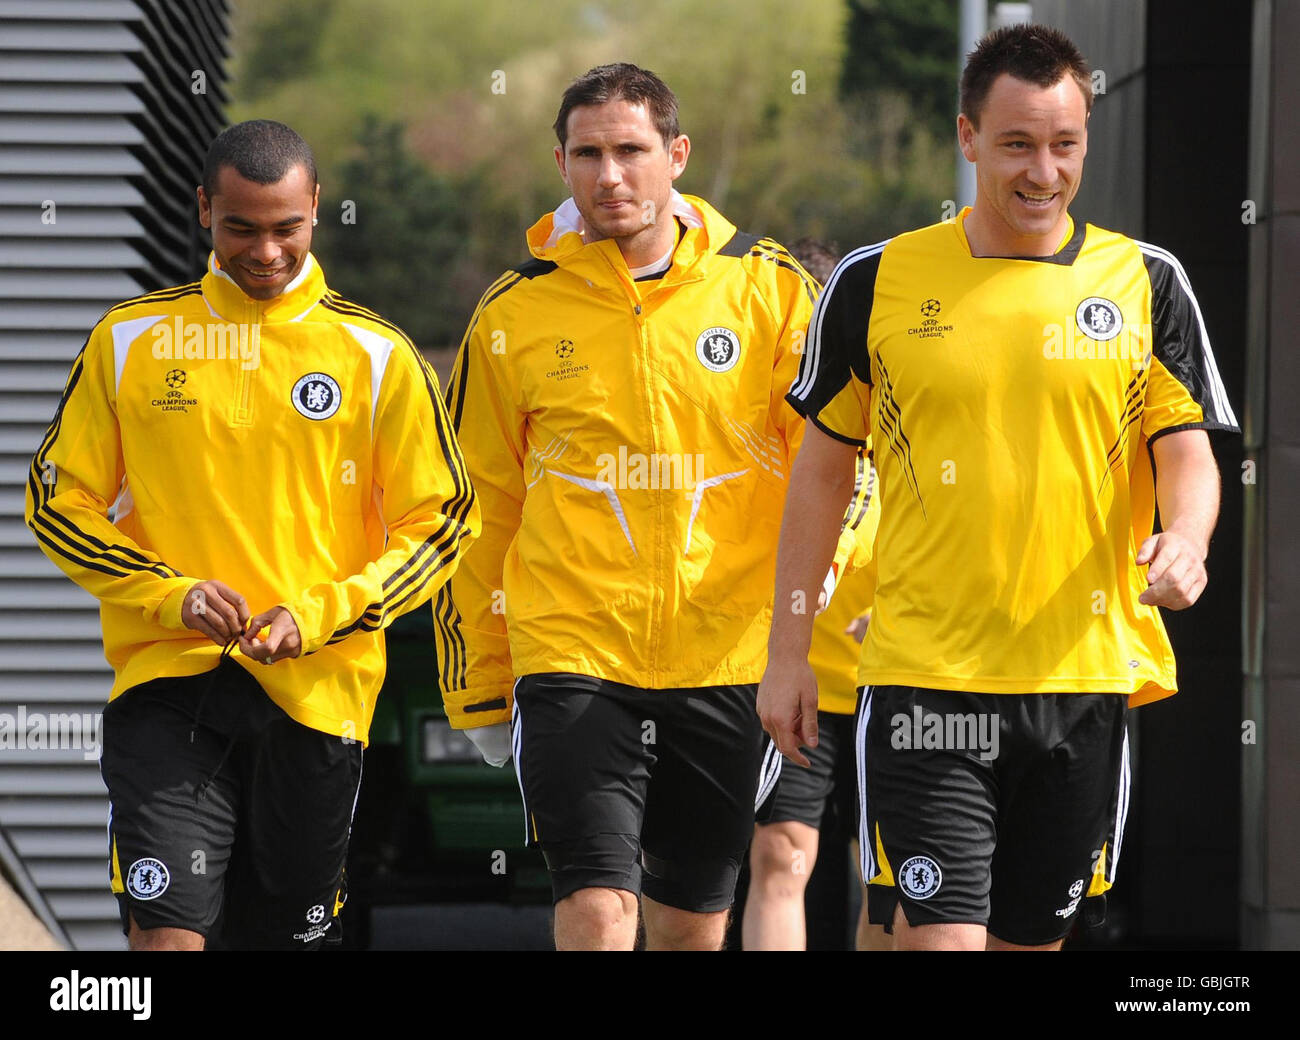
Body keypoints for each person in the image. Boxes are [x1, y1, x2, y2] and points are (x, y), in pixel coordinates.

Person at [760, 24, 1238, 951]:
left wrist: (1187, 539)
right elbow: (821, 472)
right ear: (968, 137)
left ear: (1087, 139)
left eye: (1064, 144)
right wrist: (787, 652)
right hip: (923, 683)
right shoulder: (875, 281)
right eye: (1017, 143)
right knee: (939, 940)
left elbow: (1187, 451)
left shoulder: (1148, 281)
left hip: (1084, 680)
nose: (1043, 171)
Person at [25, 119, 478, 951]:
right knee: (167, 938)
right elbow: (59, 502)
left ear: (315, 208)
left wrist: (324, 612)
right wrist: (171, 595)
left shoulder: (377, 355)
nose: (265, 251)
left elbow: (443, 523)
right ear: (203, 209)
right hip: (170, 685)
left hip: (320, 696)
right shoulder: (129, 341)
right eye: (240, 227)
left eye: (285, 228)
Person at [436, 63, 848, 951]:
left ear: (678, 154)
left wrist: (798, 642)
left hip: (726, 655)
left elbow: (838, 472)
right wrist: (476, 680)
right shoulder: (513, 311)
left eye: (631, 150)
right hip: (572, 648)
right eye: (588, 154)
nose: (610, 176)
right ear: (561, 162)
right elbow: (477, 507)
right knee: (595, 907)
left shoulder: (771, 290)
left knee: (691, 924)